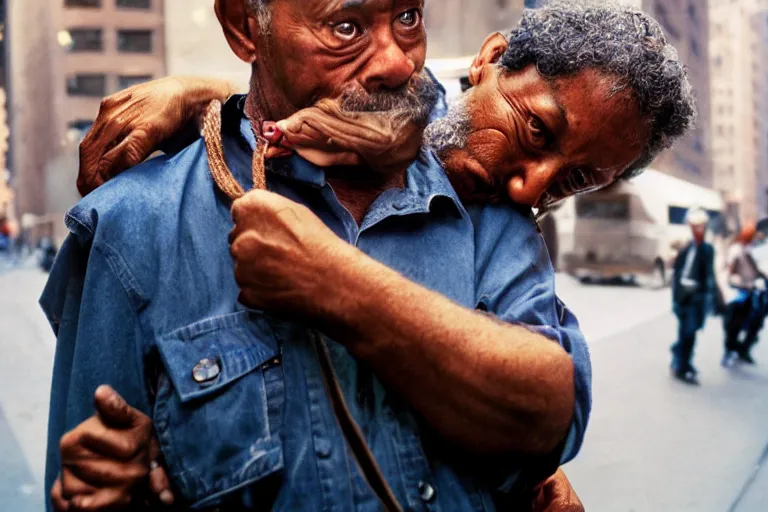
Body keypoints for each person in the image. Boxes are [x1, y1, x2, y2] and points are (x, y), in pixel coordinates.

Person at [44, 1, 695, 511]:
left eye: (409, 17)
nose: (531, 187)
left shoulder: (497, 226)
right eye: (535, 130)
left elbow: (551, 411)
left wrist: (332, 280)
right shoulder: (138, 222)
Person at [670, 209, 715, 384]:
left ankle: (682, 359)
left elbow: (708, 275)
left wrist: (708, 299)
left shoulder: (707, 249)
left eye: (702, 226)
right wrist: (676, 298)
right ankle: (682, 365)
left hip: (697, 298)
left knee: (690, 332)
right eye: (696, 226)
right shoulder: (685, 248)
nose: (699, 229)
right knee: (686, 332)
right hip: (683, 298)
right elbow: (677, 274)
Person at [722, 222, 768, 366]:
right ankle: (730, 349)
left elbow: (758, 270)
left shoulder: (753, 249)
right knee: (734, 323)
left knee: (755, 323)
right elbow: (731, 270)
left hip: (754, 291)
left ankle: (743, 349)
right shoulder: (738, 249)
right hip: (740, 290)